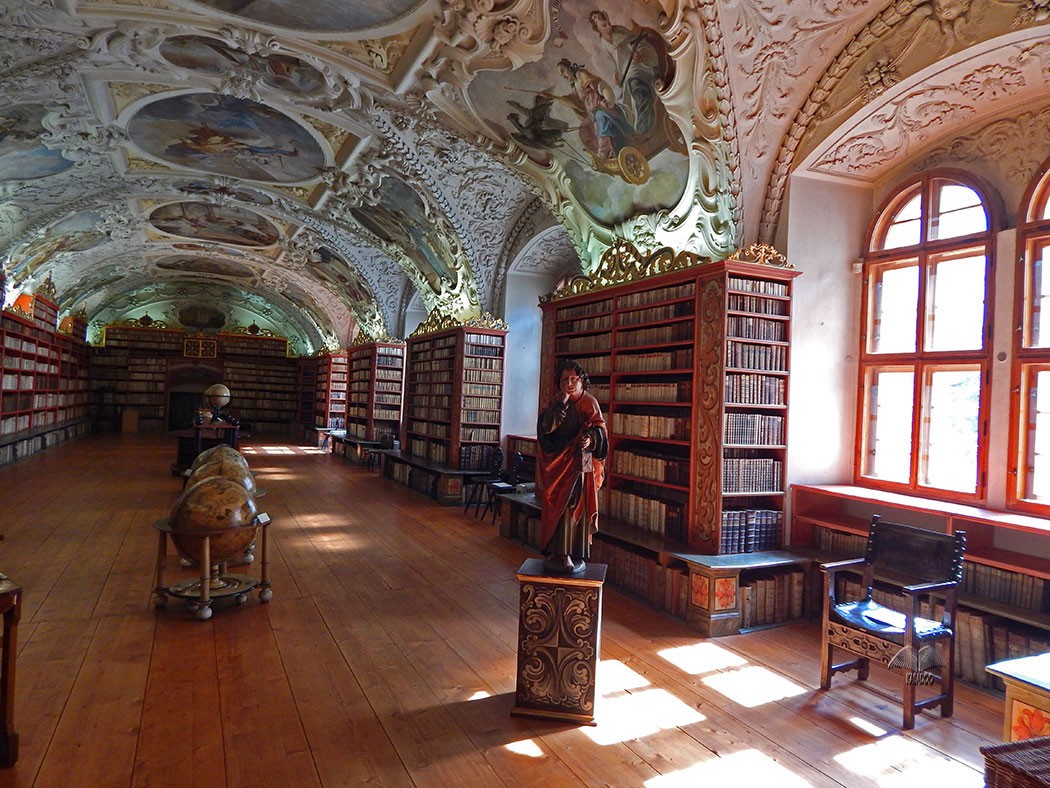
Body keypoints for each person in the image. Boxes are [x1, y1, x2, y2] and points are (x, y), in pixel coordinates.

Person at [536, 358, 608, 575]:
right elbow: (546, 429)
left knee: (572, 507)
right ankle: (554, 549)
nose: (569, 383)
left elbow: (600, 431)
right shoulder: (556, 401)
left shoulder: (589, 402)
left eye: (573, 379)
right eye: (564, 379)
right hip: (557, 464)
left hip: (579, 465)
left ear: (582, 381)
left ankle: (569, 552)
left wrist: (590, 440)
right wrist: (561, 405)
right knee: (554, 505)